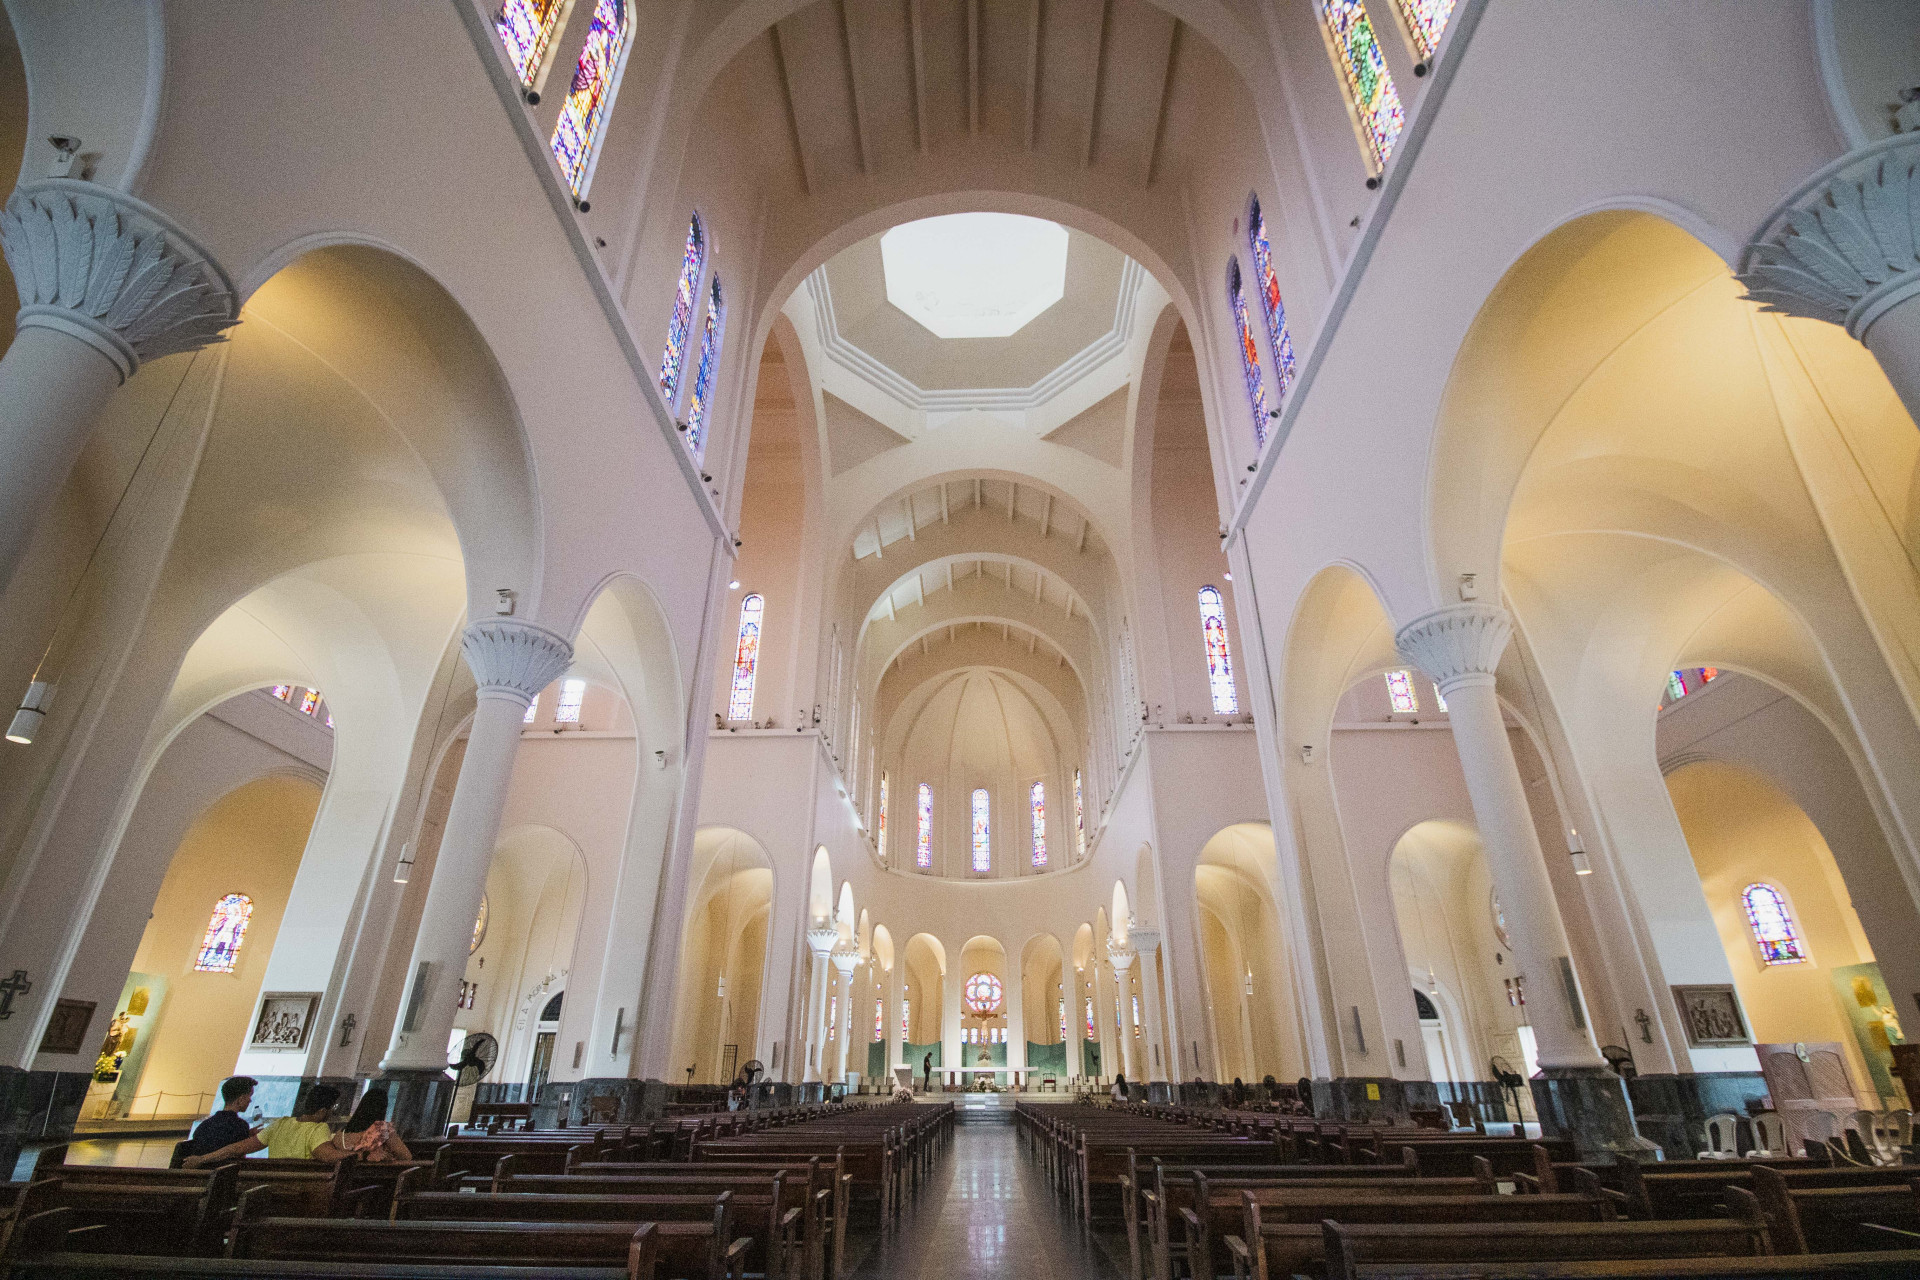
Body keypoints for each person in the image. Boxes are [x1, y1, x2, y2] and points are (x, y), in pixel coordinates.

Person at [186, 1083, 340, 1166]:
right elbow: (327, 1155)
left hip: (270, 1182)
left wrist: (202, 1159)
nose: (251, 1100)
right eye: (333, 1108)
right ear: (322, 1111)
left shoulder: (279, 1124)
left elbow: (236, 1148)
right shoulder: (319, 1128)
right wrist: (352, 1154)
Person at [316, 1088, 410, 1164]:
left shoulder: (339, 1134)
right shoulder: (382, 1130)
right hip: (372, 1178)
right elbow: (406, 1156)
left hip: (343, 1177)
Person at [179, 1076, 258, 1166]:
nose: (250, 1100)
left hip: (202, 1172)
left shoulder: (204, 1125)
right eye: (249, 1096)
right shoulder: (241, 1125)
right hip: (224, 1173)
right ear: (241, 1099)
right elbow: (239, 1158)